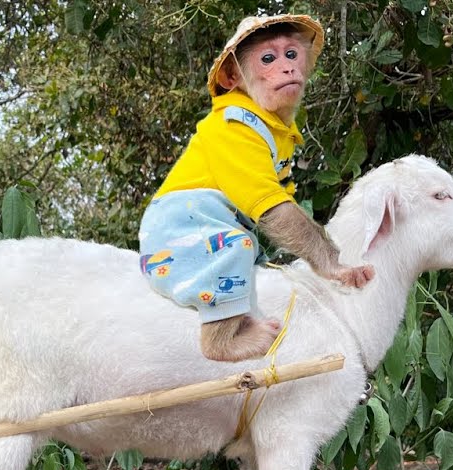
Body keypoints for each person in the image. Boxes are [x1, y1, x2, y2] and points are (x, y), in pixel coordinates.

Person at [138, 14, 374, 362]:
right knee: (235, 248)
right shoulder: (234, 126)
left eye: (292, 54)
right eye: (268, 58)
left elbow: (280, 193)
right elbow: (272, 209)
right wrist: (330, 261)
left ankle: (234, 312)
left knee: (250, 260)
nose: (286, 67)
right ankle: (219, 340)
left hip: (207, 223)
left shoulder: (272, 128)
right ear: (235, 77)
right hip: (181, 226)